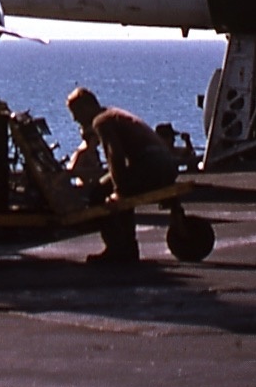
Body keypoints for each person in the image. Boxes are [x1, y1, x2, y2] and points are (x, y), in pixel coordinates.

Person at [66, 87, 180, 264]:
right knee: (117, 186)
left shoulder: (101, 122)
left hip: (150, 167)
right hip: (165, 166)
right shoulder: (114, 114)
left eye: (76, 112)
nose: (75, 119)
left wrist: (118, 191)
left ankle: (117, 248)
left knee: (98, 194)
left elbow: (115, 156)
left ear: (87, 107)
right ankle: (127, 246)